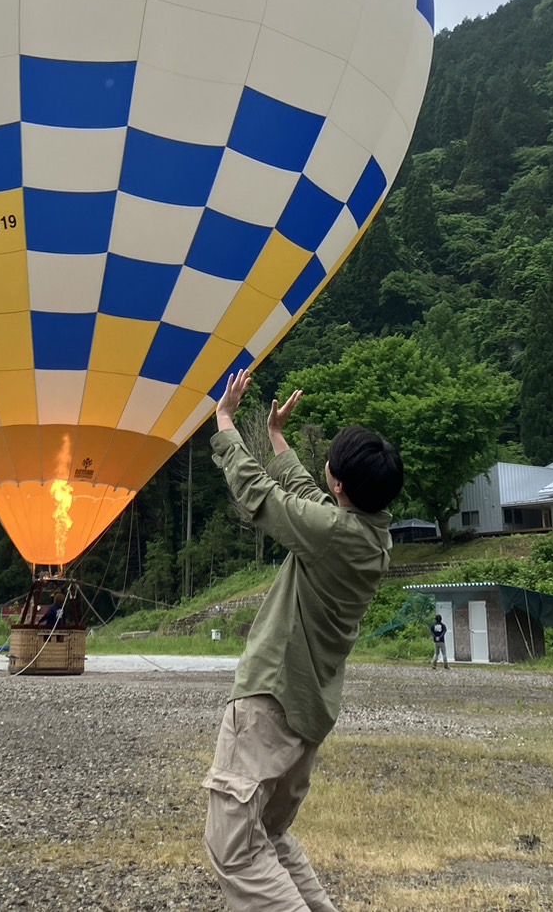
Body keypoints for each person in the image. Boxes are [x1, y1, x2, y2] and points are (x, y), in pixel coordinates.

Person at [204, 369, 403, 912]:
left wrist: (225, 423)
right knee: (269, 836)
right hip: (308, 713)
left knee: (235, 849)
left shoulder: (335, 533)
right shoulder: (368, 537)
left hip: (271, 699)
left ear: (338, 482)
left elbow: (263, 498)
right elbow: (307, 498)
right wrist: (276, 437)